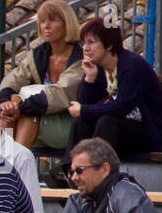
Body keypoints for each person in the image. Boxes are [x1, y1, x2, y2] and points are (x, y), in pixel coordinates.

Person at [67, 17, 162, 162]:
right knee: (81, 123)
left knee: (107, 122)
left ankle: (96, 170)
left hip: (149, 132)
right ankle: (72, 169)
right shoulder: (98, 67)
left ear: (109, 44)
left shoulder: (132, 66)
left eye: (91, 42)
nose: (85, 48)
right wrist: (89, 78)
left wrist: (84, 110)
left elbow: (121, 108)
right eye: (83, 43)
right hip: (121, 130)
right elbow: (82, 111)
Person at [0, 0, 83, 154]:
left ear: (67, 23)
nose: (46, 26)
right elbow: (13, 79)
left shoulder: (81, 58)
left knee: (29, 112)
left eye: (53, 20)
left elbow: (60, 93)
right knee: (14, 100)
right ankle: (8, 162)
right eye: (42, 21)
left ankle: (10, 165)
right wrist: (5, 102)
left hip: (73, 125)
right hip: (40, 122)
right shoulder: (38, 55)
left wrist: (20, 108)